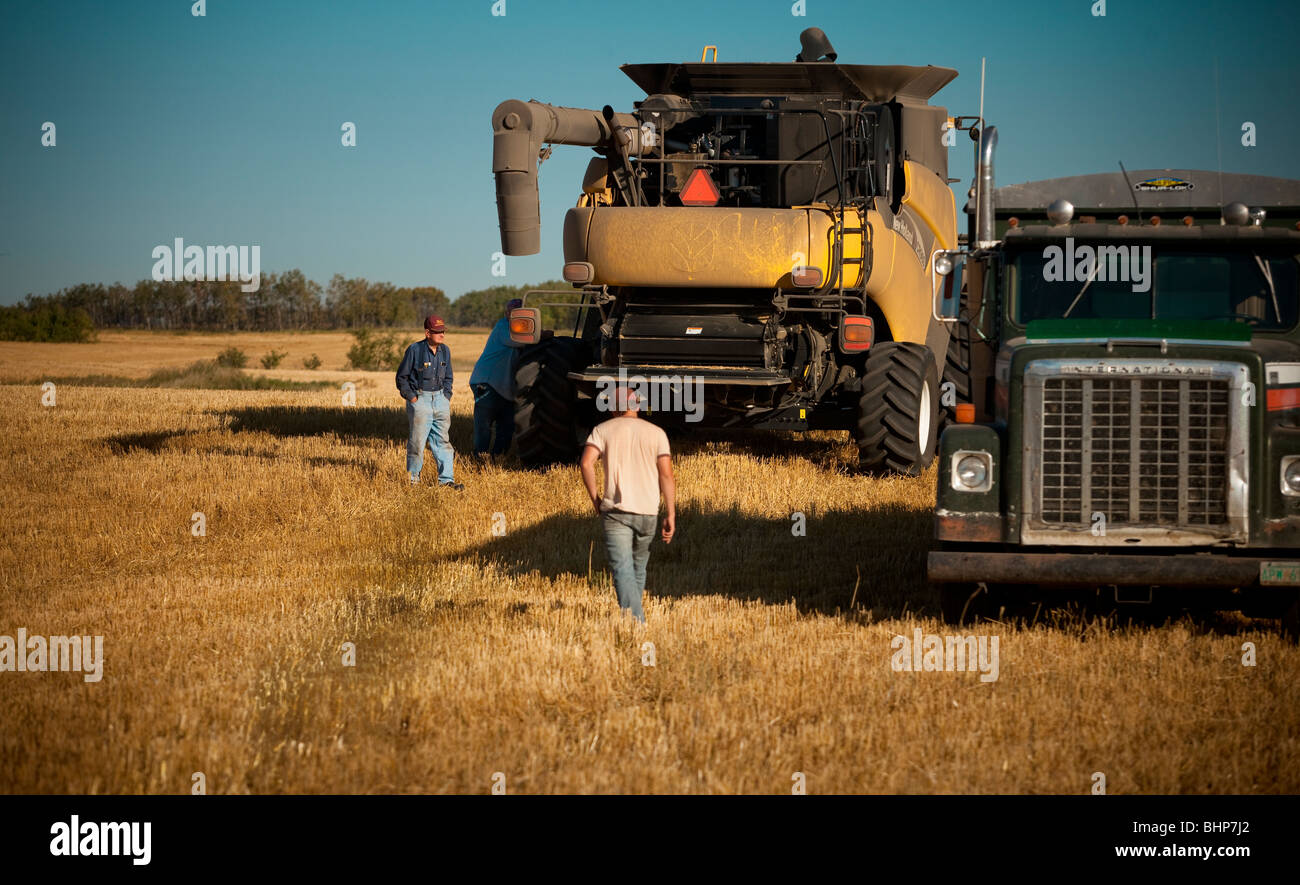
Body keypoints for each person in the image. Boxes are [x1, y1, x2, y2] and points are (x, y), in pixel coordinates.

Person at [579, 387, 676, 623]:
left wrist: (596, 500)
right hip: (648, 513)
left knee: (622, 569)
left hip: (615, 514)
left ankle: (635, 621)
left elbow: (586, 464)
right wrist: (671, 513)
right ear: (637, 405)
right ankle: (634, 615)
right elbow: (666, 475)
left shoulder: (602, 430)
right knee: (638, 567)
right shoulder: (657, 433)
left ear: (612, 408)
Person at [395, 314, 463, 490]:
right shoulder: (414, 350)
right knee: (417, 442)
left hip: (440, 399)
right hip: (421, 399)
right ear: (427, 333)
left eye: (443, 331)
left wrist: (446, 397)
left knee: (443, 442)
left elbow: (449, 376)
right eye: (437, 332)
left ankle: (446, 480)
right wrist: (413, 398)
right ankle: (414, 480)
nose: (442, 334)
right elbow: (401, 378)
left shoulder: (445, 351)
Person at [468, 298, 526, 457]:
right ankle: (480, 457)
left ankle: (497, 458)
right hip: (486, 382)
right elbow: (517, 341)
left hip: (504, 388)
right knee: (484, 425)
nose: (512, 316)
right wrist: (541, 336)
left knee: (507, 426)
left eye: (518, 313)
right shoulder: (503, 326)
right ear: (506, 314)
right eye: (511, 312)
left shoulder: (521, 330)